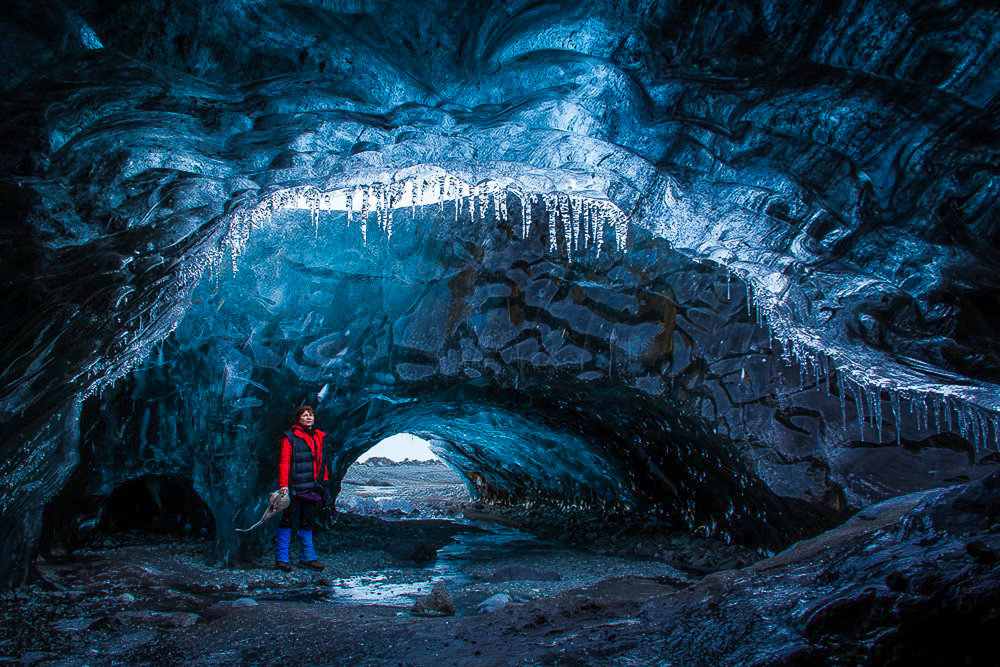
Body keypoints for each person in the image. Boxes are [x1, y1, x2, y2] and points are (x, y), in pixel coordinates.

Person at [275, 405, 331, 571]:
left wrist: (323, 483)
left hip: (312, 487)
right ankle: (281, 558)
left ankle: (307, 558)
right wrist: (283, 485)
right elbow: (284, 461)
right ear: (298, 418)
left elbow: (322, 462)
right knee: (287, 521)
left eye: (311, 415)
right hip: (294, 486)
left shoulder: (318, 436)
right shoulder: (290, 437)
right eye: (305, 415)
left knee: (307, 522)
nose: (308, 418)